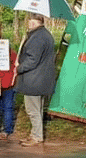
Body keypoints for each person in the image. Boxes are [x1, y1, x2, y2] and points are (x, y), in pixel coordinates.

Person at [15, 12, 56, 147]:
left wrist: (19, 67)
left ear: (40, 22)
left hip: (34, 79)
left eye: (34, 21)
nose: (31, 23)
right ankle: (35, 134)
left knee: (33, 110)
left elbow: (32, 60)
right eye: (31, 20)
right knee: (37, 109)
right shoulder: (45, 35)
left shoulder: (37, 37)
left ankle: (37, 136)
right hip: (42, 78)